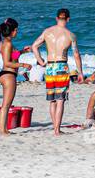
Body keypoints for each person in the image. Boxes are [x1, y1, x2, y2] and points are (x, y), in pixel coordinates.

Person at [30, 8, 84, 136]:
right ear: (68, 19)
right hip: (61, 67)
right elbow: (76, 54)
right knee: (60, 100)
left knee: (52, 100)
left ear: (56, 18)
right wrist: (80, 72)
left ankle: (55, 127)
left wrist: (40, 60)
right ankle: (57, 130)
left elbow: (34, 46)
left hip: (49, 67)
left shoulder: (47, 32)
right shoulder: (70, 35)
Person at [0, 18, 30, 135]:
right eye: (16, 30)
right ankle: (2, 130)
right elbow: (7, 63)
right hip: (8, 75)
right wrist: (23, 64)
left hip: (6, 74)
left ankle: (4, 129)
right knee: (6, 105)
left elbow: (12, 56)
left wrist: (22, 52)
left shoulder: (4, 42)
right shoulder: (8, 43)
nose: (17, 32)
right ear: (12, 31)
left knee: (6, 104)